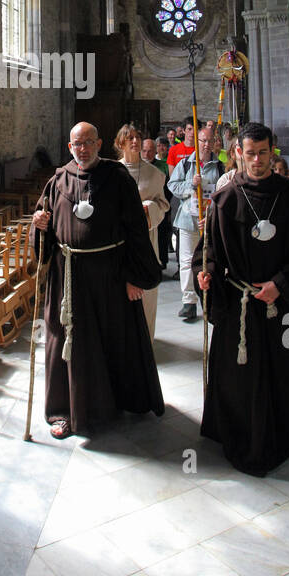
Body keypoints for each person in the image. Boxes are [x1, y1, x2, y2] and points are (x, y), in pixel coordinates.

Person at [195, 121, 289, 476]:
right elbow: (210, 252)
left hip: (282, 304)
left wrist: (280, 285)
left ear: (272, 151)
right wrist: (204, 275)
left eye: (263, 153)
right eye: (250, 153)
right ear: (238, 153)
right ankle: (236, 429)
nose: (257, 160)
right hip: (240, 303)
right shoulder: (224, 199)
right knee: (240, 376)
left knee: (285, 373)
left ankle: (288, 429)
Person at [32, 122, 164, 439]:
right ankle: (65, 412)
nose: (84, 148)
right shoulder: (58, 180)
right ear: (69, 147)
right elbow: (45, 229)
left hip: (111, 278)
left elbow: (136, 230)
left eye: (90, 142)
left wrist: (135, 277)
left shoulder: (117, 179)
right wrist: (39, 225)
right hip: (69, 278)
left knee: (112, 340)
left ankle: (116, 403)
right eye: (78, 143)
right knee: (67, 343)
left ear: (100, 143)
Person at [116, 125, 169, 339]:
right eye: (130, 138)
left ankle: (146, 340)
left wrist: (149, 209)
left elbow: (163, 205)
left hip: (146, 239)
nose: (135, 141)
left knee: (145, 295)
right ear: (121, 143)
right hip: (118, 240)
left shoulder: (155, 174)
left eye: (138, 137)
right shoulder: (111, 171)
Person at [169, 125, 223, 322]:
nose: (207, 144)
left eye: (210, 141)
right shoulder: (186, 164)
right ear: (197, 142)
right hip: (188, 219)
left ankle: (209, 298)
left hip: (210, 220)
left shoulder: (220, 166)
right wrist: (191, 184)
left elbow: (224, 191)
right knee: (187, 261)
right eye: (203, 141)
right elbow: (173, 185)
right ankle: (189, 301)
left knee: (209, 260)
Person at [152, 138, 173, 269]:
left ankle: (162, 261)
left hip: (162, 202)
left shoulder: (163, 166)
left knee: (162, 235)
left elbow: (168, 187)